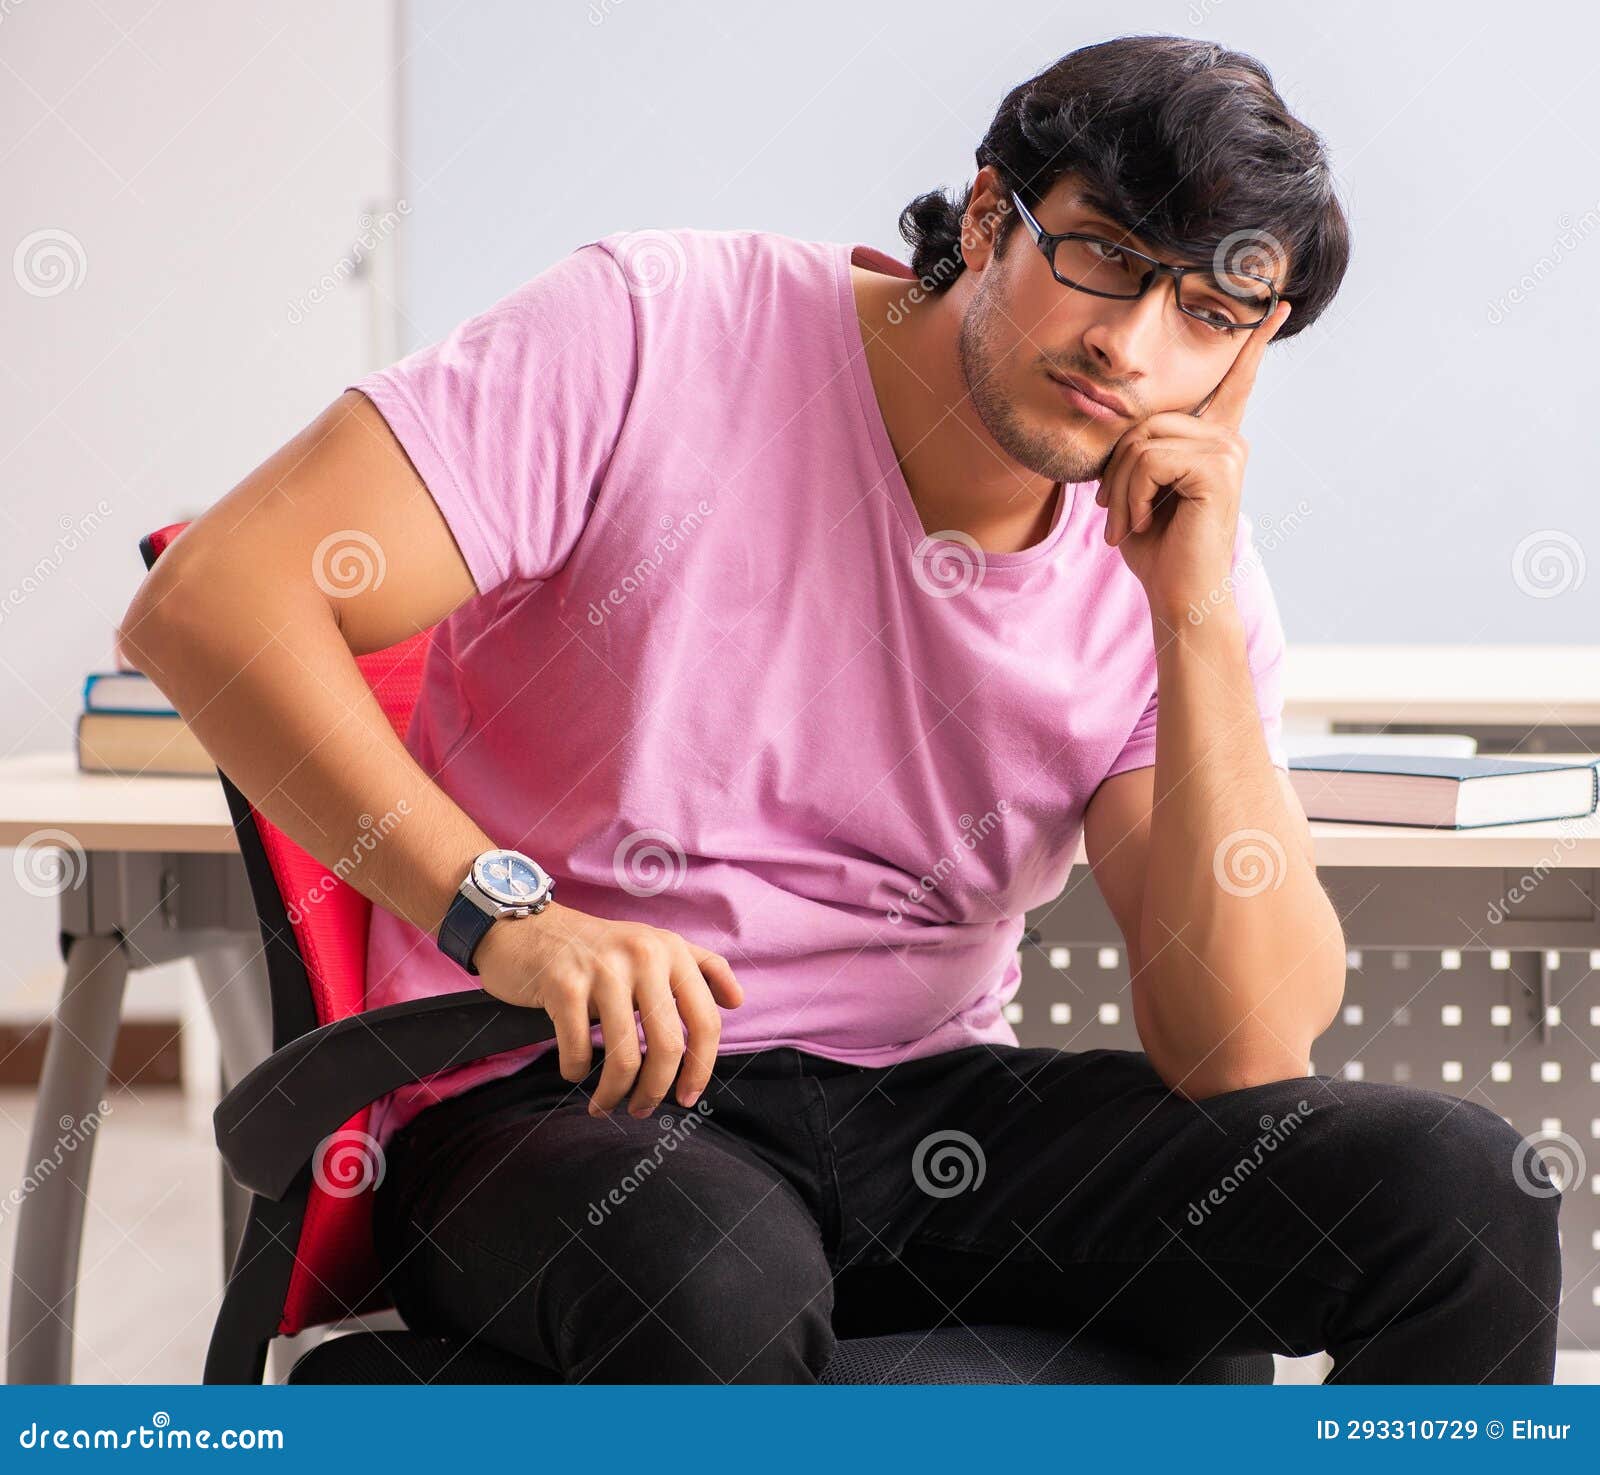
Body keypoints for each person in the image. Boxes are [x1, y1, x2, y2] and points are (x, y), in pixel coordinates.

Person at [118, 34, 1562, 1384]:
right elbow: (216, 606)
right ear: (992, 217)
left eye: (1209, 314)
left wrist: (1186, 617)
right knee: (715, 1280)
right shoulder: (656, 330)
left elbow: (1240, 1050)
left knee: (1457, 1190)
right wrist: (511, 916)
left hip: (928, 1110)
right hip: (576, 1097)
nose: (1133, 348)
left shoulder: (1178, 559)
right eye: (1105, 260)